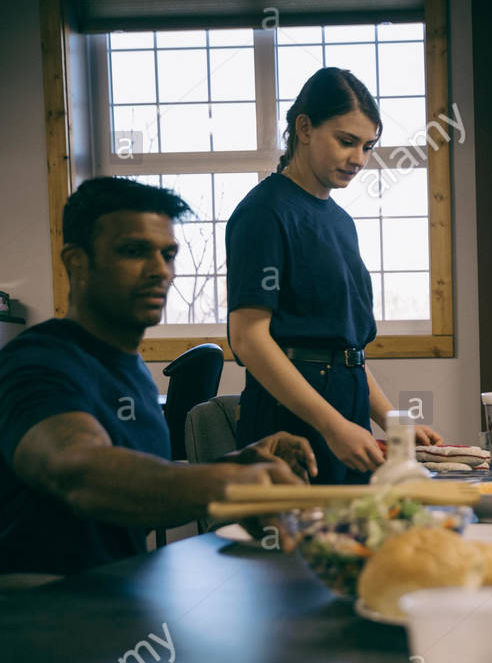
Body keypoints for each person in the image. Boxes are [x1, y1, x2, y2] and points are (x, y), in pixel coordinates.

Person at [0, 178, 313, 576]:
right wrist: (229, 486)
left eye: (168, 254)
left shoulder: (128, 366)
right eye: (133, 251)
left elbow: (138, 479)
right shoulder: (38, 361)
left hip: (114, 597)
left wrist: (239, 465)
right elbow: (78, 471)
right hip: (42, 611)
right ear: (76, 261)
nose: (159, 271)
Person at [226, 67, 440, 486]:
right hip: (290, 427)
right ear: (304, 128)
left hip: (347, 412)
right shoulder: (264, 213)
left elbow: (345, 349)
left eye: (368, 146)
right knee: (296, 550)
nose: (359, 159)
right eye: (346, 141)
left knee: (356, 541)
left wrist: (392, 424)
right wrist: (330, 425)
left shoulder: (341, 222)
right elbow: (249, 338)